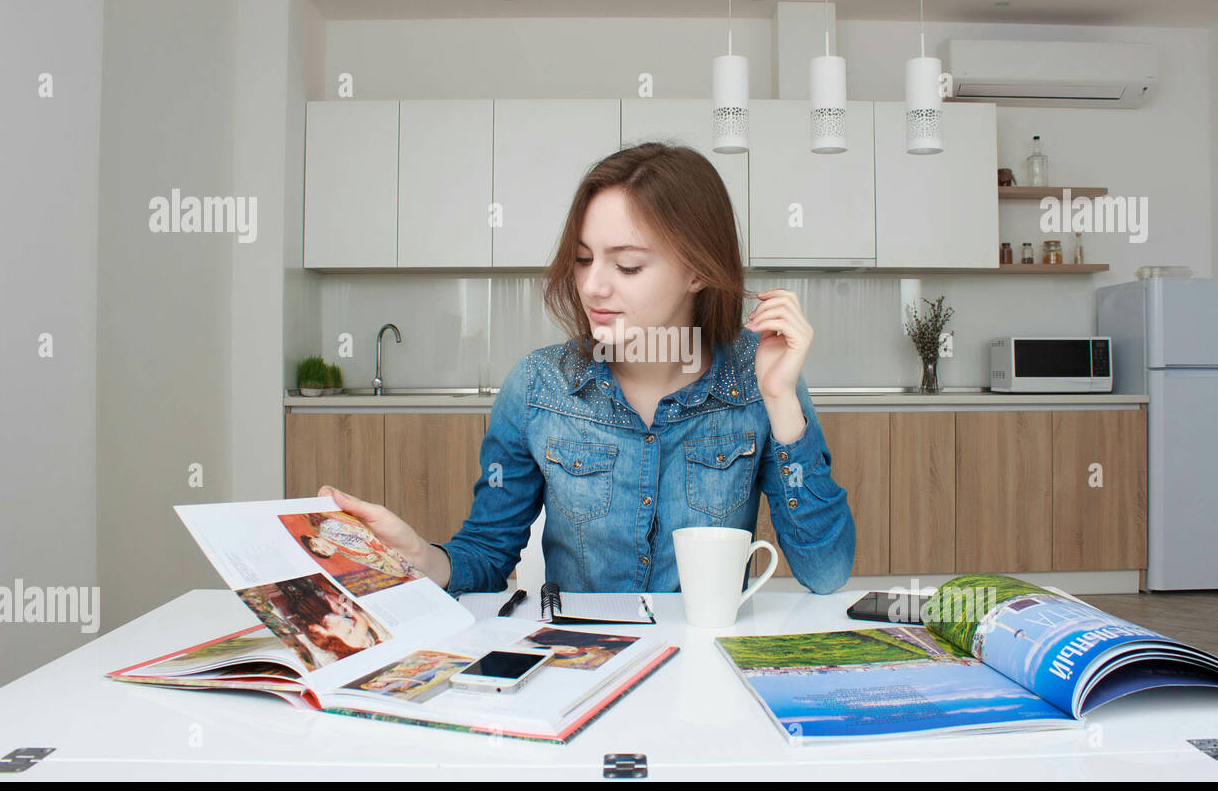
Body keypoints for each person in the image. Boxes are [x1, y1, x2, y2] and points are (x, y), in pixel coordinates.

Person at [319, 142, 855, 595]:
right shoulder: (536, 387)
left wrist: (782, 403)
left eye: (627, 265)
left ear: (697, 271)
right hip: (581, 666)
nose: (594, 286)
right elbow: (485, 556)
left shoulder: (757, 379)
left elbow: (826, 574)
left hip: (705, 675)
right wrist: (415, 553)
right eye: (583, 259)